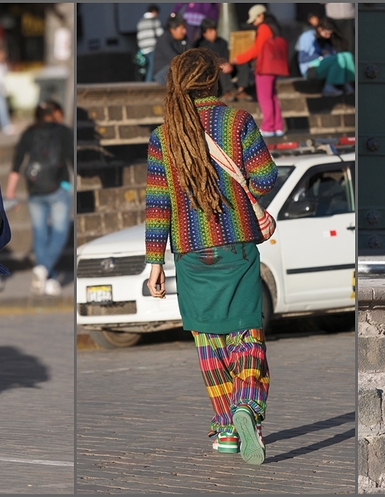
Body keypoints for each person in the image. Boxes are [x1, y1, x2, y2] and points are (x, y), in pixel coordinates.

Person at [145, 48, 277, 465]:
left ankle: (224, 431)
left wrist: (154, 263)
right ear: (213, 79)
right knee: (246, 335)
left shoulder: (163, 136)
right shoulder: (237, 122)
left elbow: (158, 203)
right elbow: (265, 175)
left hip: (188, 253)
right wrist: (247, 199)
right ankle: (246, 407)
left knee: (209, 341)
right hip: (236, 246)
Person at [5, 100, 74, 296]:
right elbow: (70, 159)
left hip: (35, 190)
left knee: (40, 234)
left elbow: (17, 163)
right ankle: (45, 271)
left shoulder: (29, 132)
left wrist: (11, 193)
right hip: (58, 189)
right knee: (59, 233)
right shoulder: (63, 132)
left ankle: (47, 277)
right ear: (56, 113)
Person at [232, 4, 288, 137]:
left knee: (264, 97)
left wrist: (238, 58)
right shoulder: (274, 27)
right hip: (273, 67)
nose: (254, 23)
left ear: (261, 15)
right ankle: (277, 126)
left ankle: (268, 127)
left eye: (255, 19)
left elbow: (257, 50)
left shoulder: (264, 28)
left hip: (265, 68)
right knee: (272, 97)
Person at [296, 17, 355, 97]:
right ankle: (328, 87)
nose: (328, 36)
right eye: (326, 33)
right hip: (311, 69)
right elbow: (301, 58)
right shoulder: (307, 36)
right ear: (320, 29)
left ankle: (347, 84)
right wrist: (320, 54)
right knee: (338, 58)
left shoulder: (327, 39)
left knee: (347, 55)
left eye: (330, 34)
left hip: (326, 65)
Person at [151, 16, 188, 85]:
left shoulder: (184, 39)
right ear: (173, 30)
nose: (184, 31)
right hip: (162, 72)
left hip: (176, 69)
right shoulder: (163, 39)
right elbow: (173, 58)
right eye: (182, 28)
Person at [136, 4, 163, 83]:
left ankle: (147, 81)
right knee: (152, 66)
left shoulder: (140, 21)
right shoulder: (154, 21)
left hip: (143, 48)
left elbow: (138, 36)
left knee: (146, 67)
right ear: (154, 11)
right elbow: (160, 34)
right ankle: (148, 83)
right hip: (152, 47)